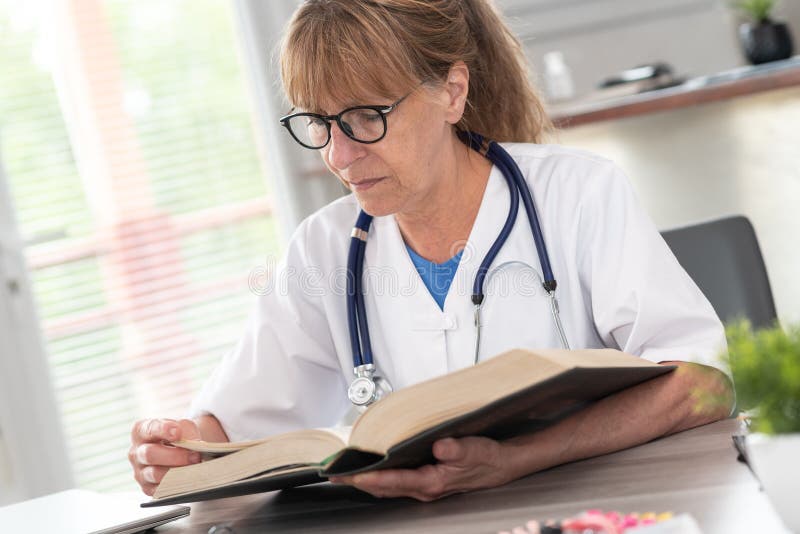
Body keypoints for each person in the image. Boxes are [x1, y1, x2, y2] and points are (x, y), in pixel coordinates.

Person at [129, 0, 734, 501]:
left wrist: (517, 458)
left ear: (451, 91)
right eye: (320, 122)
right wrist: (179, 446)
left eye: (366, 117)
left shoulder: (578, 195)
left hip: (597, 509)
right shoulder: (324, 248)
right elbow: (233, 419)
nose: (338, 157)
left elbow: (704, 382)